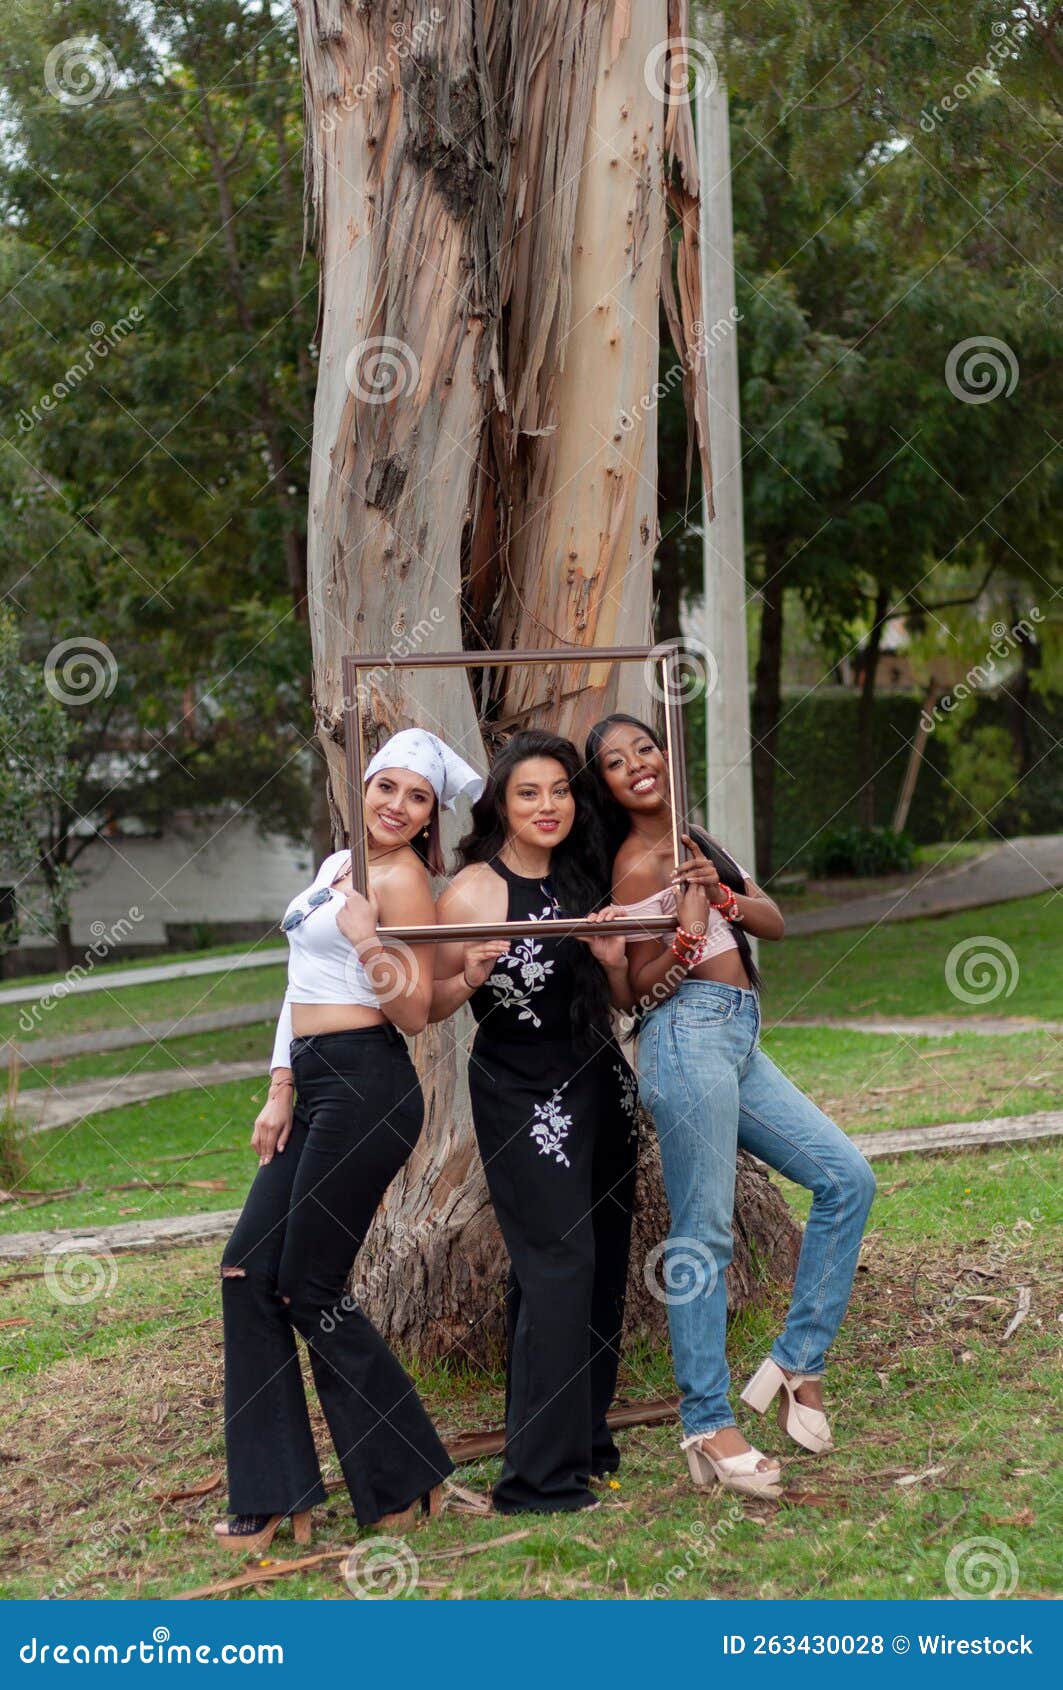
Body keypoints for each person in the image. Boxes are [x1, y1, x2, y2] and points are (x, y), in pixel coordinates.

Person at [586, 713, 876, 1498]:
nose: (636, 765)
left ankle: (795, 1362)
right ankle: (708, 1421)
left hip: (740, 1039)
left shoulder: (695, 838)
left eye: (644, 748)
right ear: (606, 787)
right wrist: (676, 939)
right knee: (702, 1234)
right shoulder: (636, 864)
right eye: (615, 763)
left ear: (669, 753)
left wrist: (718, 894)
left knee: (847, 1179)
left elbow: (773, 921)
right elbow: (638, 995)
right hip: (686, 1040)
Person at [213, 729, 484, 1552]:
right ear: (361, 787)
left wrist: (369, 938)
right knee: (245, 1271)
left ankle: (406, 1475)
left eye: (416, 798)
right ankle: (272, 1491)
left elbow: (410, 1013)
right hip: (313, 1078)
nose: (396, 807)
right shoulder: (337, 867)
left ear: (431, 814)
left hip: (369, 1083)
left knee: (309, 1286)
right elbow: (299, 985)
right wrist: (280, 1087)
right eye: (386, 788)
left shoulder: (403, 883)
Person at [430, 730, 638, 1514]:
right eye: (529, 793)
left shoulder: (586, 879)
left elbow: (617, 998)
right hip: (521, 1090)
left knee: (601, 1263)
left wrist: (614, 957)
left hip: (600, 1084)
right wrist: (472, 972)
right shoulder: (472, 890)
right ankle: (535, 1482)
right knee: (556, 1266)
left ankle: (579, 1444)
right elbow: (430, 1007)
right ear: (501, 806)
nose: (547, 806)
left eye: (560, 790)